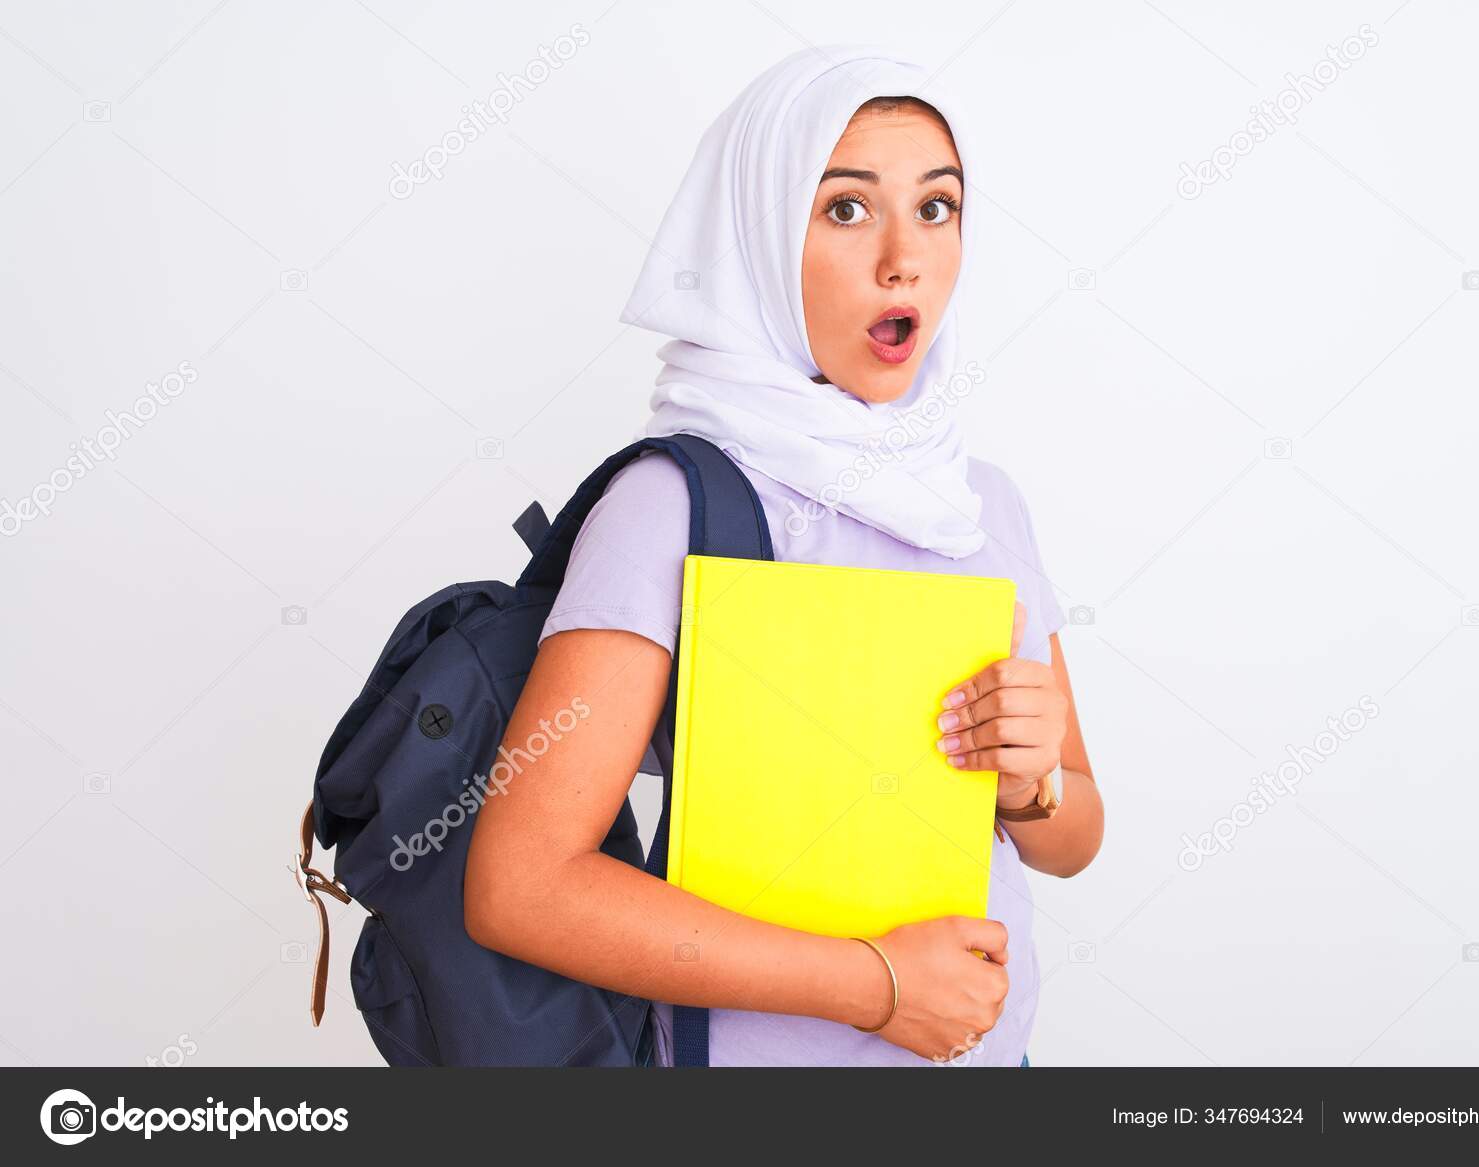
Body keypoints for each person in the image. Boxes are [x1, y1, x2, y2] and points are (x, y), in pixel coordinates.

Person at [464, 44, 1103, 1067]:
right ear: (755, 238)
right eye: (845, 209)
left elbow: (1071, 841)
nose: (903, 258)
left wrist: (1034, 785)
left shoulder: (979, 502)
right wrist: (879, 987)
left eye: (936, 208)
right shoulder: (671, 502)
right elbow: (520, 886)